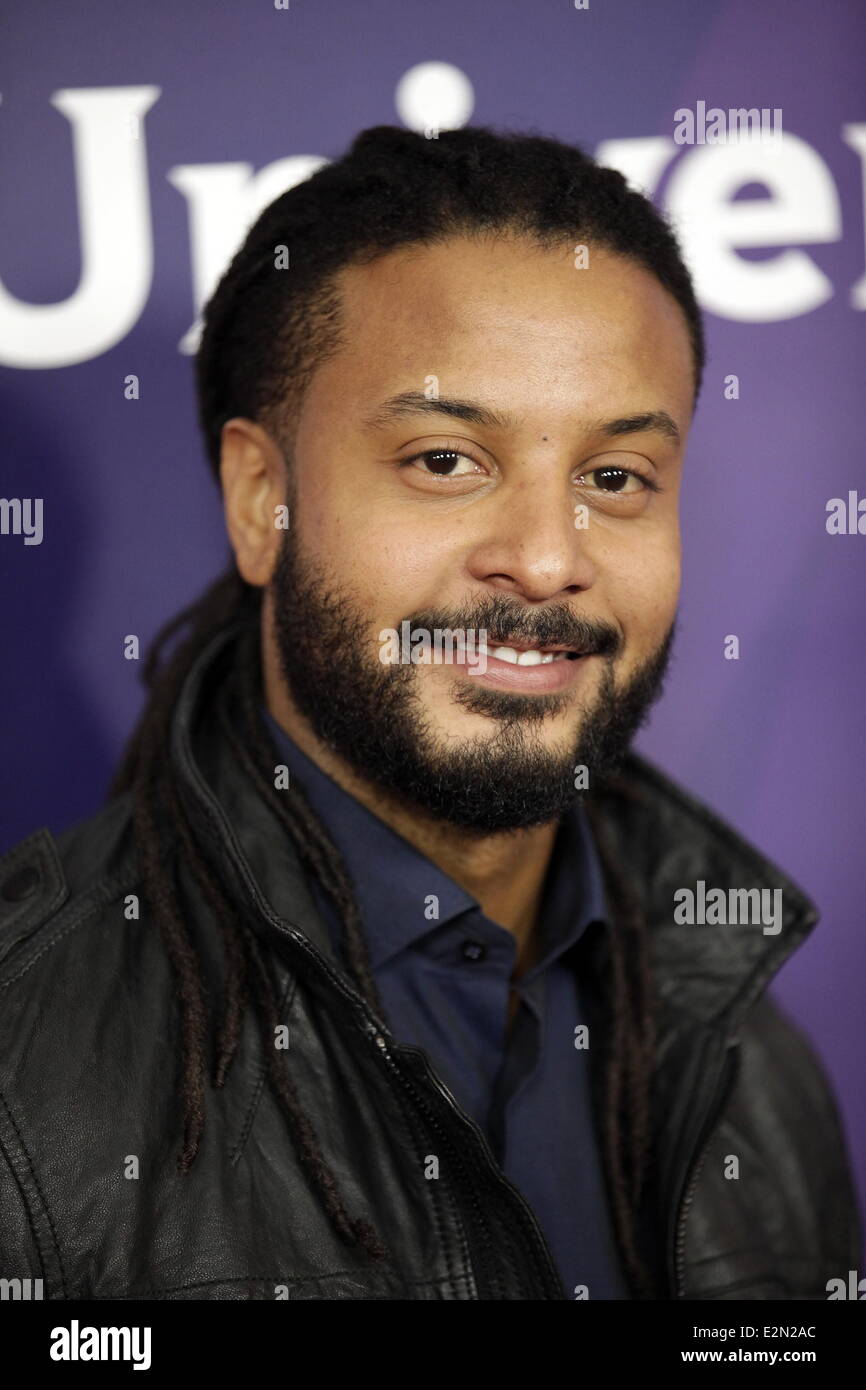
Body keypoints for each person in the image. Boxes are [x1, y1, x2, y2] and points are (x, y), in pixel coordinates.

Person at [0, 125, 860, 1301]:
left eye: (613, 478)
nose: (547, 559)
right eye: (446, 460)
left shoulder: (744, 1057)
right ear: (264, 501)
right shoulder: (21, 1076)